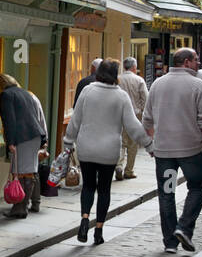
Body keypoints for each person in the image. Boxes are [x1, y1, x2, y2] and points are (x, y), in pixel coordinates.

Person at [65, 59, 153, 245]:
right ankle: (98, 230)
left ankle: (83, 220)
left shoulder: (87, 91)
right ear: (116, 75)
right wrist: (149, 145)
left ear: (98, 73)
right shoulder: (121, 97)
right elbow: (133, 126)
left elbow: (75, 120)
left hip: (87, 148)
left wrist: (68, 141)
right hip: (109, 150)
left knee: (88, 186)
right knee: (104, 190)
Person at [143, 47, 202, 253]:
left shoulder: (157, 84)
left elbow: (147, 119)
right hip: (191, 150)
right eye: (195, 59)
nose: (198, 63)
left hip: (165, 152)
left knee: (166, 193)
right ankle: (184, 227)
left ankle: (170, 242)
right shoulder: (197, 85)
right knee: (197, 187)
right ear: (186, 62)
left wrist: (154, 142)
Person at [0, 73, 47, 219]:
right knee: (28, 172)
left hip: (22, 137)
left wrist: (10, 142)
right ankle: (23, 206)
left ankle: (20, 208)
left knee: (22, 172)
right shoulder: (24, 92)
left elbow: (8, 120)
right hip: (35, 136)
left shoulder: (6, 95)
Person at [116, 56, 149, 181]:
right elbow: (146, 98)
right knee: (132, 144)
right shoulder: (139, 80)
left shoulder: (118, 79)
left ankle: (119, 165)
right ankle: (129, 170)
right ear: (134, 67)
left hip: (119, 115)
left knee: (121, 142)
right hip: (135, 115)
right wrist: (143, 112)